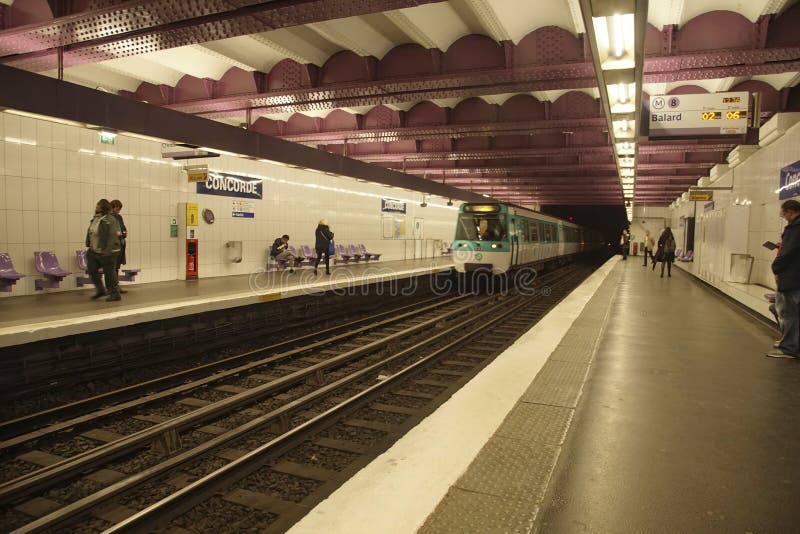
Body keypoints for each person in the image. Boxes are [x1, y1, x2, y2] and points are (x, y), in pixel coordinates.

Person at [767, 200, 800, 358]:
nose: (783, 217)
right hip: (795, 277)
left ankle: (789, 348)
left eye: (783, 213)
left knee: (788, 313)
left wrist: (776, 266)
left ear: (790, 212)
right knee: (788, 312)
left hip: (792, 278)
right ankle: (791, 343)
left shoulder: (796, 228)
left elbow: (789, 251)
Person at [85, 198, 122, 301]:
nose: (96, 207)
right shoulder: (95, 219)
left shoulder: (110, 220)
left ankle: (115, 294)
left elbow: (112, 236)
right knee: (91, 270)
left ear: (103, 207)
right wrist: (88, 244)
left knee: (109, 273)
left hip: (109, 251)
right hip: (94, 251)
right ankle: (100, 290)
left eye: (98, 205)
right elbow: (91, 232)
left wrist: (107, 251)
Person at [110, 199, 128, 293]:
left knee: (117, 267)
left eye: (119, 209)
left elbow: (123, 227)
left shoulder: (119, 217)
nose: (118, 211)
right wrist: (117, 234)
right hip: (113, 245)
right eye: (117, 209)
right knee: (112, 268)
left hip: (120, 244)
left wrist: (124, 233)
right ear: (112, 207)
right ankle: (113, 287)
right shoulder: (109, 218)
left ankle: (116, 286)